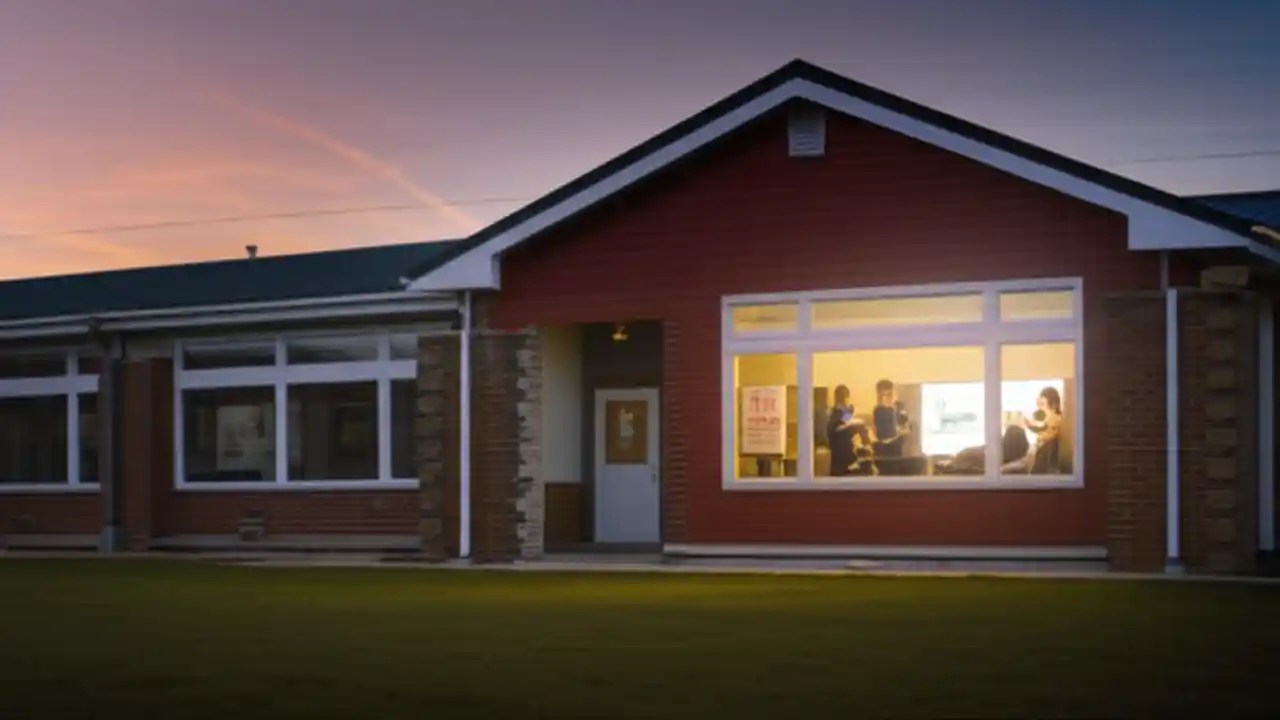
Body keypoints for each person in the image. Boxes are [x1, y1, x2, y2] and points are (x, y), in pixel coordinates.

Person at [1024, 386, 1064, 473]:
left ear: (1053, 405)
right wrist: (1029, 425)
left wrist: (1039, 439)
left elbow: (1048, 434)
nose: (1040, 408)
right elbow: (1043, 429)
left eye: (1042, 404)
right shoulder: (1050, 421)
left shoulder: (1057, 420)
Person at [826, 385, 863, 476]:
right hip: (841, 452)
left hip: (848, 453)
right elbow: (836, 427)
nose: (846, 401)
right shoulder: (835, 413)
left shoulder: (842, 412)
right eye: (844, 398)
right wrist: (851, 415)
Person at [872, 379, 909, 458]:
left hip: (896, 447)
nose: (883, 399)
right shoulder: (877, 410)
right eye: (880, 396)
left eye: (887, 395)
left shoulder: (900, 408)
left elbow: (906, 429)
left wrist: (899, 431)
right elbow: (875, 429)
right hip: (881, 448)